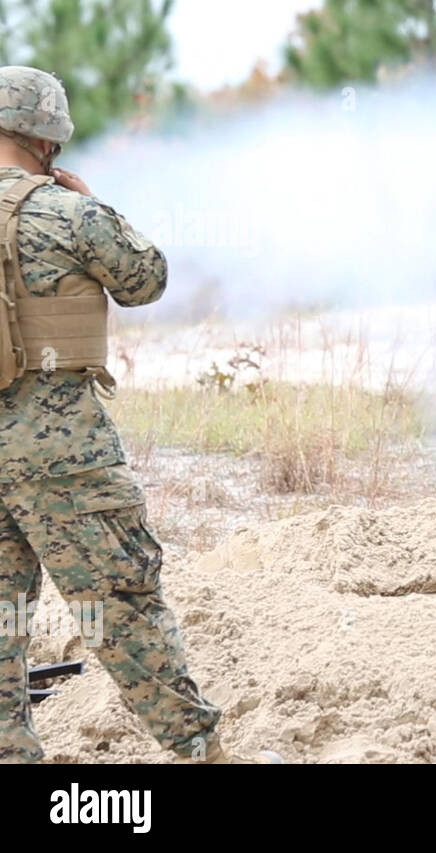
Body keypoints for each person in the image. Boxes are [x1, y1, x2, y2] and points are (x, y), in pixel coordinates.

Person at [0, 66, 268, 763]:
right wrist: (96, 206)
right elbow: (147, 279)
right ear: (48, 139)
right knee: (123, 608)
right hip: (65, 456)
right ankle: (199, 749)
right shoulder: (70, 215)